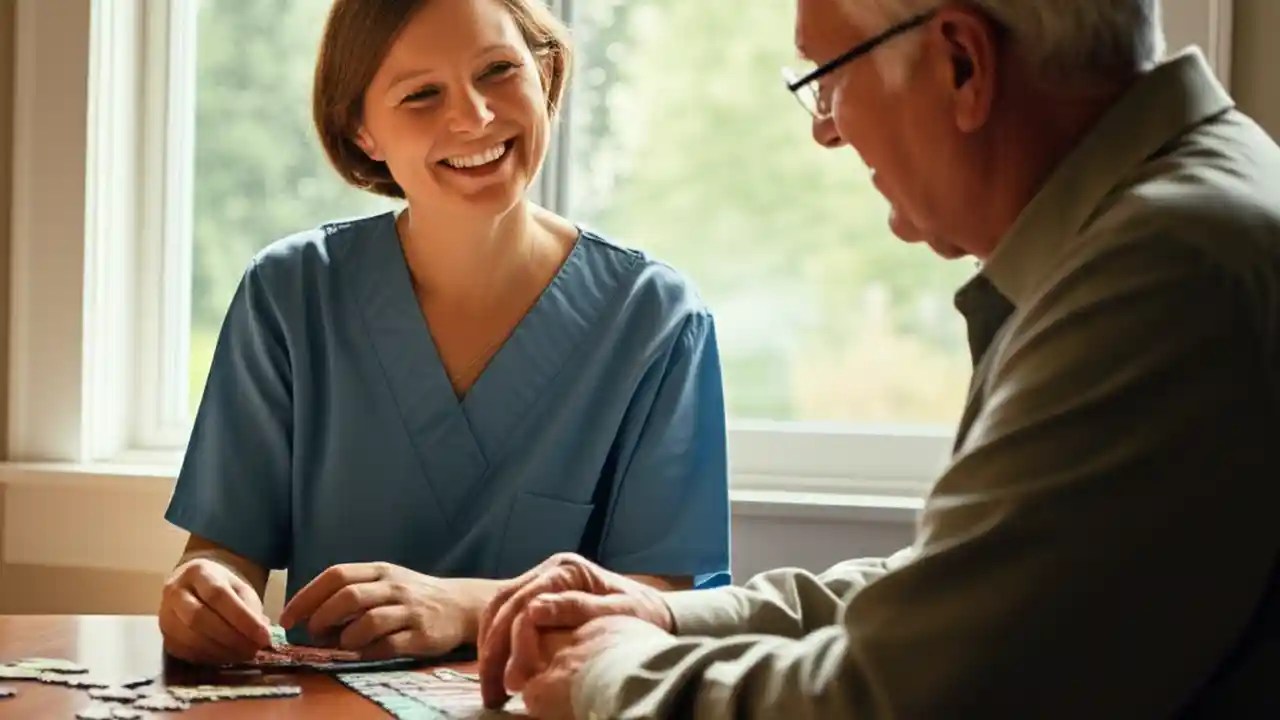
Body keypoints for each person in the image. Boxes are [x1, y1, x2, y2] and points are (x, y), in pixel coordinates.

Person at [476, 0, 1280, 717]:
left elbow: (896, 696)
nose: (826, 130)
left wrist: (612, 675)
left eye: (829, 79)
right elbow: (968, 590)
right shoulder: (1189, 214)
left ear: (962, 61)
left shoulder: (1162, 273)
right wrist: (668, 618)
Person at [157, 0, 731, 666]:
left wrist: (464, 607)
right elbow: (224, 551)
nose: (474, 117)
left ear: (545, 77)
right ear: (362, 131)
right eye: (422, 94)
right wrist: (202, 596)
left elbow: (661, 600)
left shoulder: (655, 319)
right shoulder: (289, 294)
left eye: (498, 71)